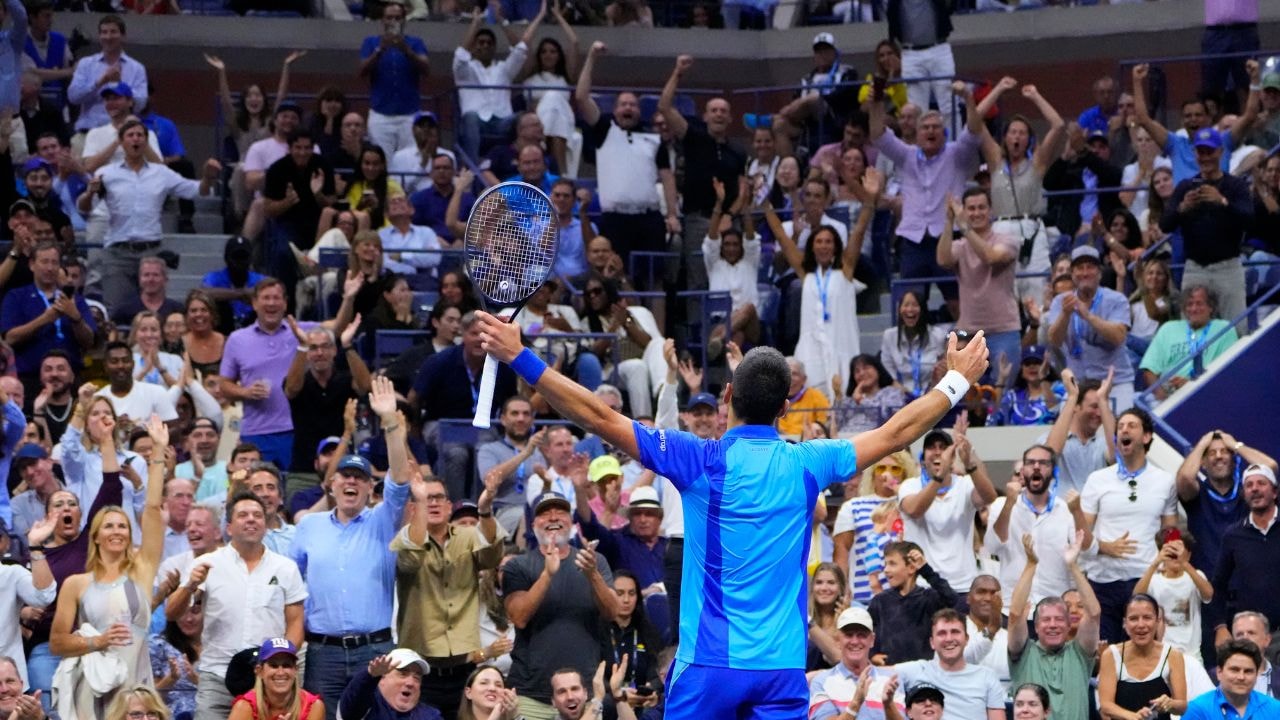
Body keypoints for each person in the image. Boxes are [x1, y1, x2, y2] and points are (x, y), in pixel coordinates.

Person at [473, 298, 990, 717]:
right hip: (780, 670)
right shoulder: (811, 462)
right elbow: (897, 431)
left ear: (725, 396)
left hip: (708, 667)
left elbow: (598, 416)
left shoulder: (698, 458)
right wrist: (956, 380)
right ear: (785, 408)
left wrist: (520, 355)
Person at [293, 376, 412, 720]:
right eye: (344, 476)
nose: (351, 481)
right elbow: (290, 583)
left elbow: (400, 480)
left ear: (370, 488)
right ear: (331, 485)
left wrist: (389, 422)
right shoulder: (308, 526)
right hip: (323, 651)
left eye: (359, 478)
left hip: (375, 648)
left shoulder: (383, 520)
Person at [47, 413, 167, 718]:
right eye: (109, 526)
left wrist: (157, 453)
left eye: (123, 526)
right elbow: (57, 643)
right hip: (93, 686)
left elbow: (153, 509)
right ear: (96, 535)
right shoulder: (76, 583)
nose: (117, 531)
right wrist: (98, 641)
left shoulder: (142, 569)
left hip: (136, 682)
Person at [163, 491, 306, 720]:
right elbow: (172, 613)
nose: (251, 519)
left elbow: (296, 623)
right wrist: (190, 585)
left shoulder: (286, 568)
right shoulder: (206, 564)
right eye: (243, 515)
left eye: (257, 515)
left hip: (266, 680)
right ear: (228, 528)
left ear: (265, 525)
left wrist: (279, 665)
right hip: (216, 675)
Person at [391, 469, 503, 719]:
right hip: (420, 670)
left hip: (464, 669)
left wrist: (485, 510)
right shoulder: (406, 538)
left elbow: (492, 557)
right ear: (414, 507)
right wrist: (419, 508)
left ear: (449, 506)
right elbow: (409, 563)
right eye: (425, 498)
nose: (432, 503)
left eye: (438, 497)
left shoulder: (468, 536)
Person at [79, 119, 220, 311]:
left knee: (153, 310)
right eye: (130, 135)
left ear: (146, 141)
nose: (135, 139)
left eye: (140, 135)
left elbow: (196, 191)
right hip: (117, 252)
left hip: (151, 252)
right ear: (121, 142)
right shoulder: (106, 173)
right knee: (117, 310)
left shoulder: (161, 173)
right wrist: (89, 193)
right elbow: (84, 208)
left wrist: (208, 178)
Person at [870, 81, 983, 320]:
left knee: (958, 304)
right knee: (910, 306)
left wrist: (968, 99)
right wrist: (877, 102)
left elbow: (974, 131)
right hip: (913, 240)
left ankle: (968, 343)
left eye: (936, 127)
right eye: (925, 127)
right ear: (918, 133)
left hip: (948, 238)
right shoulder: (906, 155)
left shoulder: (957, 154)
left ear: (944, 132)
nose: (930, 131)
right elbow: (878, 135)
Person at [501, 491, 619, 718]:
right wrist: (547, 574)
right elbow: (519, 617)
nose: (553, 517)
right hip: (531, 694)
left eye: (561, 512)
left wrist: (593, 575)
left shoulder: (594, 561)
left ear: (572, 521)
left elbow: (612, 612)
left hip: (583, 693)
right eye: (545, 513)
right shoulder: (518, 566)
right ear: (533, 524)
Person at [765, 170, 880, 398]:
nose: (824, 246)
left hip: (841, 345)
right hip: (811, 350)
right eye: (819, 241)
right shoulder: (805, 273)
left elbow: (858, 232)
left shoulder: (845, 270)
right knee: (813, 401)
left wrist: (869, 201)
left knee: (845, 399)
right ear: (812, 246)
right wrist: (765, 205)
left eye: (828, 242)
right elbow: (781, 237)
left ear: (835, 246)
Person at [657, 55, 744, 292]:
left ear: (730, 118)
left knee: (732, 280)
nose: (718, 114)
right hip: (698, 221)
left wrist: (729, 215)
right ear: (705, 116)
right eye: (713, 110)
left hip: (729, 222)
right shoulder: (693, 137)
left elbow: (743, 191)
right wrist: (678, 72)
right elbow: (664, 107)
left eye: (723, 111)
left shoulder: (738, 151)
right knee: (698, 283)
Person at [575, 43, 665, 264]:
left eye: (633, 105)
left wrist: (672, 213)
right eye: (623, 104)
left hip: (649, 217)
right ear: (615, 110)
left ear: (639, 111)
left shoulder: (653, 139)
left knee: (655, 274)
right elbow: (581, 97)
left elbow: (668, 176)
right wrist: (592, 57)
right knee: (615, 272)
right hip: (616, 219)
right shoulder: (605, 131)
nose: (628, 108)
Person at [1158, 128, 1253, 330]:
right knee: (1190, 329)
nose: (1206, 157)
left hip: (1228, 267)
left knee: (1238, 329)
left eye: (1210, 152)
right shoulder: (1185, 187)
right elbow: (1165, 224)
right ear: (1195, 154)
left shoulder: (1235, 185)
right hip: (1195, 268)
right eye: (1201, 152)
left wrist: (1222, 202)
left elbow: (1249, 220)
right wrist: (1182, 208)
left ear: (1220, 152)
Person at [898, 420, 997, 601]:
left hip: (963, 585)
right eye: (931, 447)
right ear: (923, 458)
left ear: (952, 457)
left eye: (943, 447)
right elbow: (914, 510)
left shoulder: (964, 485)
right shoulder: (909, 486)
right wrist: (939, 476)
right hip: (922, 585)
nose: (937, 452)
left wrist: (970, 463)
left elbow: (989, 496)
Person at [1007, 532, 1101, 720]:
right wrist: (1031, 565)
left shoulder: (1079, 653)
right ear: (1036, 627)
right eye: (1046, 620)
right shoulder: (1024, 653)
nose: (1053, 625)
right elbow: (1015, 615)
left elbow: (1093, 614)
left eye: (1059, 619)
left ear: (1068, 625)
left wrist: (1073, 566)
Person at [938, 188, 1023, 383]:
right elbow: (942, 259)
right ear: (964, 211)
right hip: (968, 332)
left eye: (981, 207)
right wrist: (949, 221)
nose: (976, 213)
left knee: (1003, 389)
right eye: (971, 209)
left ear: (990, 210)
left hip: (1004, 330)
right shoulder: (961, 245)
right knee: (964, 392)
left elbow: (991, 257)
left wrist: (965, 227)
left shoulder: (1007, 240)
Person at [1176, 430, 1275, 581]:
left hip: (1247, 582)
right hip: (1207, 585)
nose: (1218, 456)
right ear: (1203, 463)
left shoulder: (1247, 493)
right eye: (1212, 453)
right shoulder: (1196, 493)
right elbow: (1185, 477)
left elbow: (1270, 467)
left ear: (1234, 460)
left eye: (1224, 451)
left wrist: (1235, 445)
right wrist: (1202, 443)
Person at [1046, 246, 1135, 411]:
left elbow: (1118, 337)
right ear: (1072, 274)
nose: (1085, 273)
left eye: (1090, 267)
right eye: (1079, 268)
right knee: (1067, 425)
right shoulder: (1060, 301)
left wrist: (1088, 315)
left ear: (1099, 273)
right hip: (1078, 385)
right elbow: (1054, 340)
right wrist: (1065, 315)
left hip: (1115, 384)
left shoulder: (1116, 299)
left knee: (1121, 425)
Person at [1, 242, 95, 395]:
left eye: (54, 263)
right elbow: (9, 339)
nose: (50, 268)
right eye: (44, 262)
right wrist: (45, 319)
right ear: (32, 265)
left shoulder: (74, 299)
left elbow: (89, 341)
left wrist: (76, 317)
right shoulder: (16, 297)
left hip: (70, 380)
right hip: (29, 380)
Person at [1210, 464, 1280, 650]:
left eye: (1261, 483)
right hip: (1250, 635)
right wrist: (1220, 627)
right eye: (1249, 485)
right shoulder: (1233, 535)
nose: (1254, 489)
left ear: (1275, 492)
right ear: (1244, 494)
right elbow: (1218, 585)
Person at [892, 610, 1006, 720]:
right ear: (932, 642)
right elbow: (882, 672)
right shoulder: (916, 669)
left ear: (966, 639)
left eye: (955, 632)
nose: (949, 639)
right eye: (942, 633)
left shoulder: (987, 676)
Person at [452, 10, 533, 162]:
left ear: (494, 47)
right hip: (476, 122)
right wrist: (475, 24)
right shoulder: (465, 71)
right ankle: (472, 168)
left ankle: (524, 162)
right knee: (470, 117)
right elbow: (460, 56)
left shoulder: (503, 69)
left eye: (489, 43)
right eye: (481, 42)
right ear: (473, 47)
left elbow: (520, 50)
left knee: (525, 118)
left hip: (503, 122)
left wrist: (502, 21)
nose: (485, 46)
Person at [1098, 594, 1189, 720]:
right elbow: (1106, 705)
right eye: (1133, 619)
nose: (1141, 625)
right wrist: (1133, 717)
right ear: (1125, 623)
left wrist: (1169, 703)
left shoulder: (1173, 655)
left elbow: (1182, 706)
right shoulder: (1111, 655)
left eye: (1147, 618)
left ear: (1157, 621)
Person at [359, 0, 430, 158]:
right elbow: (362, 72)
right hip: (381, 114)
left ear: (404, 21)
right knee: (381, 160)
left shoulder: (415, 43)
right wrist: (380, 50)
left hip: (409, 114)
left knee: (411, 160)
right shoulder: (371, 42)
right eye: (389, 18)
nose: (393, 22)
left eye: (397, 18)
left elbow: (426, 69)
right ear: (382, 20)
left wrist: (407, 51)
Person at [1141, 285, 1239, 399]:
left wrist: (1190, 385)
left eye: (1199, 303)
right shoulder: (1168, 328)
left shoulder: (1224, 328)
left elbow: (1228, 372)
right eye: (1189, 304)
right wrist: (1162, 396)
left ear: (1211, 307)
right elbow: (1149, 369)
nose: (1194, 309)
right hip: (1167, 395)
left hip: (1206, 394)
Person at [867, 541, 957, 664]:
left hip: (922, 670)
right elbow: (866, 631)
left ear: (911, 568)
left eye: (892, 564)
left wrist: (926, 570)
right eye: (886, 564)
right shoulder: (880, 601)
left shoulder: (928, 598)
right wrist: (872, 654)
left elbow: (951, 598)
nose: (886, 570)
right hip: (888, 669)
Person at [807, 607, 903, 719]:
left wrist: (888, 705)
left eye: (861, 635)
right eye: (849, 635)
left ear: (872, 640)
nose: (855, 641)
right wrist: (856, 703)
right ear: (838, 640)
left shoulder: (890, 680)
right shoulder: (821, 682)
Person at [1134, 530, 1214, 662]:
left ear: (1188, 554)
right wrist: (1155, 563)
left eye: (1179, 551)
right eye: (1170, 551)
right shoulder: (1154, 580)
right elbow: (1136, 599)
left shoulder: (1196, 575)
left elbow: (1208, 594)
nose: (1175, 556)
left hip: (1192, 653)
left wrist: (1185, 564)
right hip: (1161, 653)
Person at [517, 4, 576, 176]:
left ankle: (545, 149)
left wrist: (559, 17)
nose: (548, 55)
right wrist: (541, 16)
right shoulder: (531, 77)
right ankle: (562, 174)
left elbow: (574, 42)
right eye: (544, 52)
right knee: (554, 109)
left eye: (553, 51)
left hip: (562, 119)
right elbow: (525, 42)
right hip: (536, 123)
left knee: (554, 100)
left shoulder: (564, 78)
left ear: (559, 55)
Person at [66, 16, 147, 135]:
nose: (108, 37)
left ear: (123, 36)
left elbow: (140, 105)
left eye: (113, 32)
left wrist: (121, 85)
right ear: (99, 36)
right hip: (88, 130)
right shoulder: (86, 64)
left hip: (122, 133)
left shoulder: (137, 68)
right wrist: (99, 83)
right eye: (104, 32)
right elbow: (73, 97)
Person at [1, 514, 55, 691]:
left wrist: (35, 546)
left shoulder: (11, 574)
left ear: (4, 543)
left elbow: (44, 596)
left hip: (11, 686)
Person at [227, 638, 324, 720]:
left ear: (295, 670)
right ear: (259, 671)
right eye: (274, 666)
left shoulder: (313, 706)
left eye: (286, 665)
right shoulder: (244, 707)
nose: (280, 672)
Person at [1184, 639, 1280, 719]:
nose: (1241, 677)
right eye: (1234, 670)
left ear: (1256, 675)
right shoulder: (1198, 710)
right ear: (1219, 672)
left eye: (1248, 671)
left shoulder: (1274, 709)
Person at [336, 650, 444, 720]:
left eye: (416, 678)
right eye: (403, 674)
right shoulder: (367, 706)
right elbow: (352, 703)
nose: (410, 683)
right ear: (382, 678)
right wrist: (370, 675)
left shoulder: (430, 716)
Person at [94, 339, 178, 428]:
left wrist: (138, 430)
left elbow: (174, 428)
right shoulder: (98, 399)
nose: (120, 366)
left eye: (125, 361)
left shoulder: (156, 392)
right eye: (114, 362)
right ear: (105, 366)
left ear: (133, 364)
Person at [879, 291, 948, 398]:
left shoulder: (938, 335)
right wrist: (904, 393)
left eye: (915, 305)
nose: (910, 309)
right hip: (900, 396)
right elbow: (888, 374)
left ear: (923, 309)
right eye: (906, 305)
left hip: (933, 393)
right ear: (899, 310)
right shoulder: (889, 336)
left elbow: (944, 370)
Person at [389, 112, 455, 195]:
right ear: (413, 130)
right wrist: (422, 164)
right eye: (421, 126)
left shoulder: (448, 155)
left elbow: (451, 185)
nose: (426, 129)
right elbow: (398, 189)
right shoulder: (400, 156)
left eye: (430, 126)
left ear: (437, 130)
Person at [110, 256, 184, 326]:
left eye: (156, 275)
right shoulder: (123, 311)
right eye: (146, 275)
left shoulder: (178, 310)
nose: (151, 279)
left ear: (165, 280)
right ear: (139, 279)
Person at [1230, 612, 1280, 698]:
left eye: (1251, 633)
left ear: (1267, 640)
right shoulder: (1216, 677)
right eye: (1239, 634)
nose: (1245, 638)